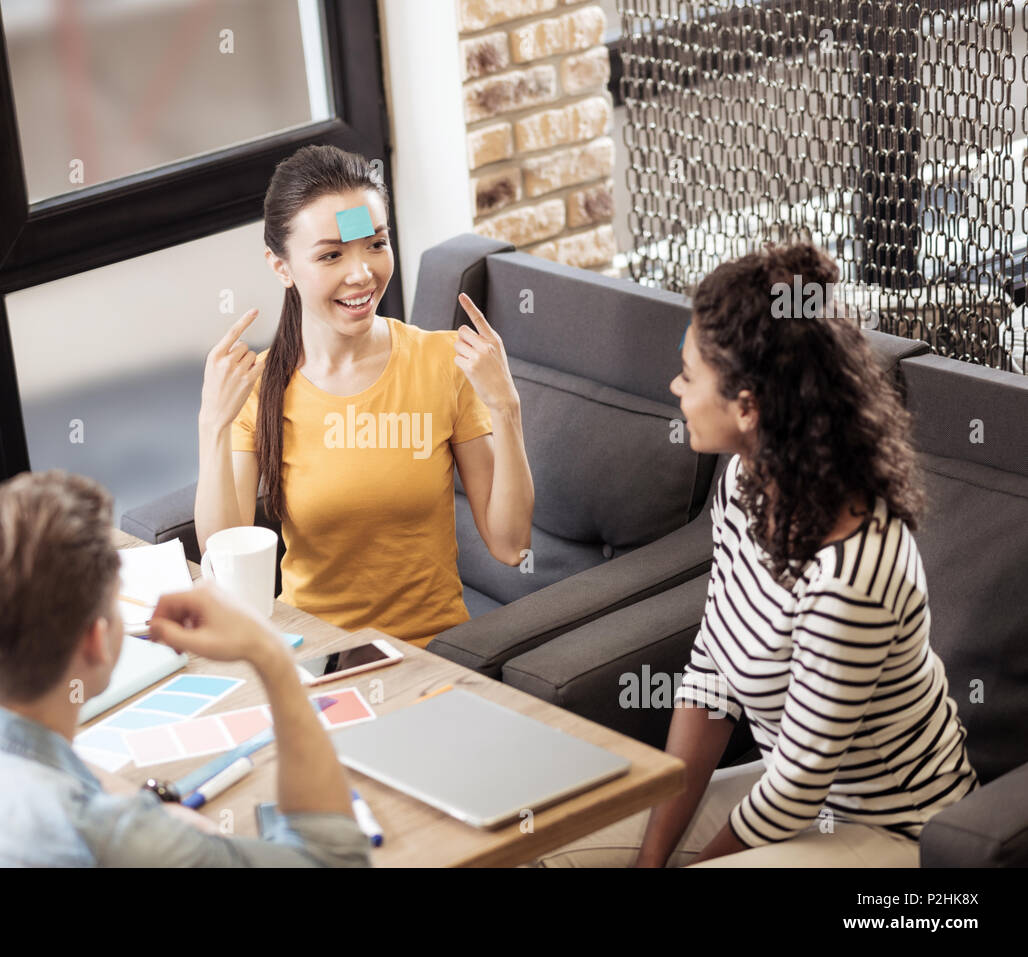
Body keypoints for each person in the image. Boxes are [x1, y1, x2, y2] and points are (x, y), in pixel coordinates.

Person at [541, 243, 979, 867]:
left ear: (747, 406)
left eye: (690, 375)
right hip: (788, 795)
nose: (675, 387)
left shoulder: (855, 571)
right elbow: (712, 674)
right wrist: (650, 858)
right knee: (547, 845)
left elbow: (798, 788)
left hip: (892, 832)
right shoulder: (746, 480)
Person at [0, 469, 371, 867]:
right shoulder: (103, 841)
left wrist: (147, 819)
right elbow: (335, 856)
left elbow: (20, 762)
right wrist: (270, 656)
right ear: (97, 640)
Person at [194, 144, 534, 647]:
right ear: (281, 267)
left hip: (430, 659)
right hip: (313, 654)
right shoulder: (259, 386)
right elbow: (224, 565)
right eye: (331, 254)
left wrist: (506, 408)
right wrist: (212, 425)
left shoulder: (442, 363)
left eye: (375, 244)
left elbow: (510, 546)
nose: (362, 273)